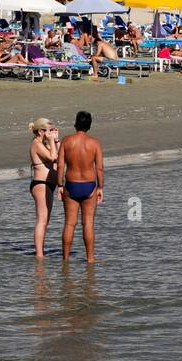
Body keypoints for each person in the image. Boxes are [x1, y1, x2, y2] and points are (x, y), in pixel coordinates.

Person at [57, 111, 104, 263]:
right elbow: (99, 168)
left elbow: (60, 165)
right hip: (89, 186)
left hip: (71, 185)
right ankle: (90, 259)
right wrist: (100, 187)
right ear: (89, 125)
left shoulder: (66, 141)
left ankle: (65, 260)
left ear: (75, 123)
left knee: (70, 223)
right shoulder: (94, 143)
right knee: (88, 223)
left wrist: (59, 185)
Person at [28, 118, 60, 258]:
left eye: (53, 130)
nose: (51, 133)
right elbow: (52, 157)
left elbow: (59, 157)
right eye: (49, 130)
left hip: (49, 184)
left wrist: (56, 140)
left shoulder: (44, 143)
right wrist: (52, 141)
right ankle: (39, 254)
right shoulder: (36, 144)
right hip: (41, 184)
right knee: (42, 219)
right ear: (41, 131)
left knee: (46, 220)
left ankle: (41, 249)